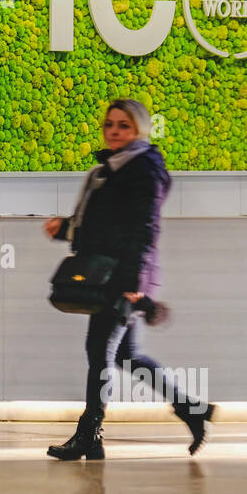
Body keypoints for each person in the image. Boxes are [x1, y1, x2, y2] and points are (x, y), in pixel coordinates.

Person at [43, 98, 214, 459]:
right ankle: (190, 407)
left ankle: (89, 433)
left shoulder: (144, 169)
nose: (115, 131)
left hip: (122, 277)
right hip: (110, 274)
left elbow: (144, 228)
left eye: (123, 125)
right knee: (126, 354)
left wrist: (133, 282)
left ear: (139, 130)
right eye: (110, 124)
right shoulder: (109, 170)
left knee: (100, 352)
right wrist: (63, 230)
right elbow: (102, 226)